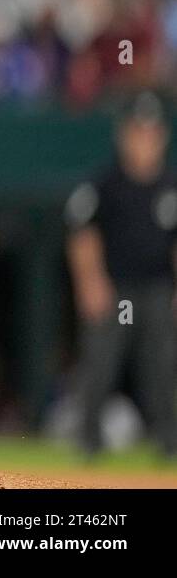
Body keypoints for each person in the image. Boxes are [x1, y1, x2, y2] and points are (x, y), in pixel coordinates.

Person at [65, 91, 177, 459]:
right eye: (137, 131)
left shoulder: (170, 187)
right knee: (101, 364)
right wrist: (90, 282)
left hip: (158, 287)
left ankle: (169, 440)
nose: (144, 140)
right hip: (115, 287)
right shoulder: (104, 184)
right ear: (123, 135)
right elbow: (82, 233)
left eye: (151, 132)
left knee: (163, 366)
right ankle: (88, 440)